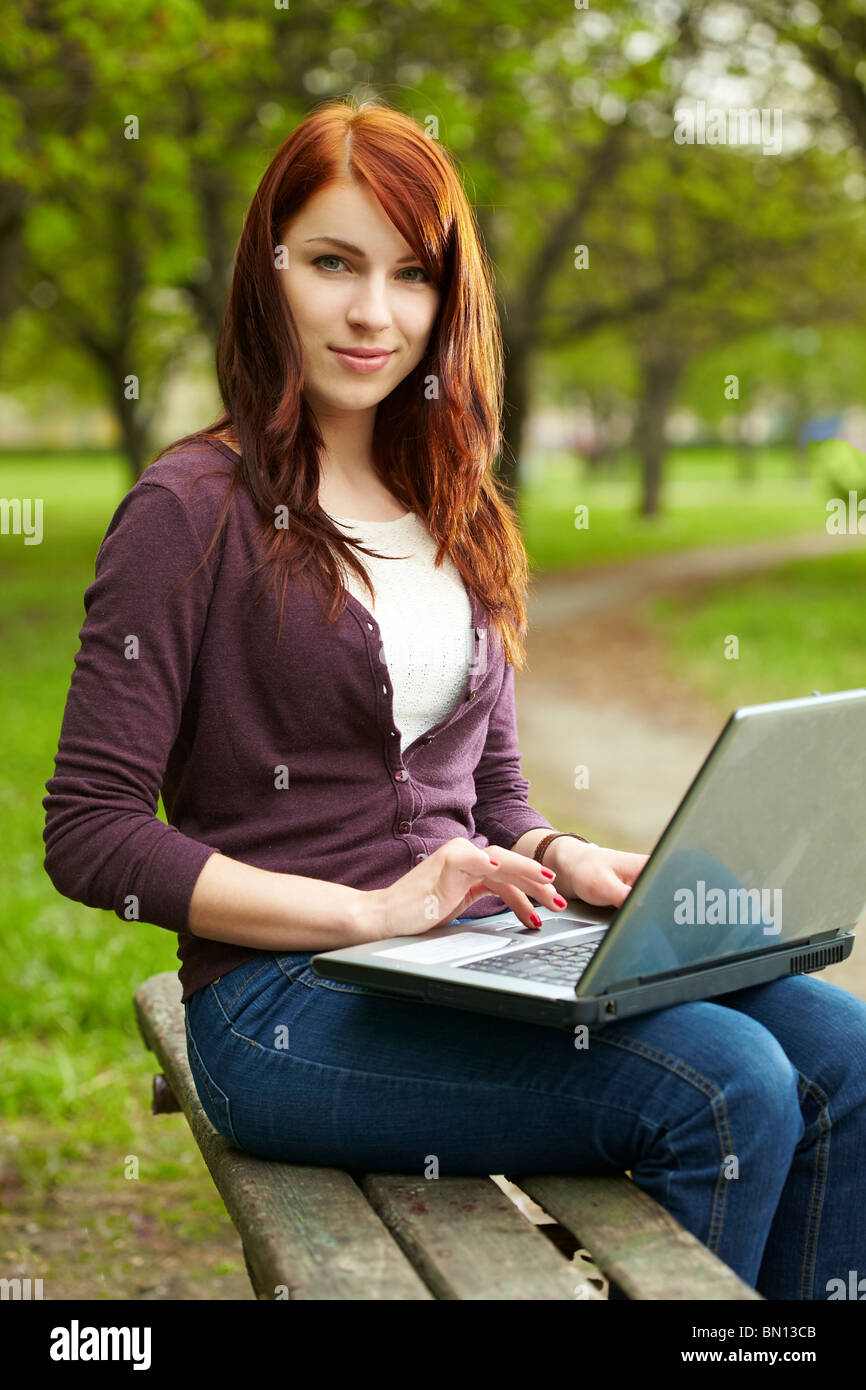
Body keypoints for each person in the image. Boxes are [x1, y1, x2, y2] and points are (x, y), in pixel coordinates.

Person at [43, 99, 866, 1302]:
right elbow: (90, 832)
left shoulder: (459, 501)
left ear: (447, 298)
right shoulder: (190, 510)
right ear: (267, 274)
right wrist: (372, 912)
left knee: (840, 1053)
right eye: (332, 264)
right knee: (725, 1087)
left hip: (462, 955)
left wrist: (554, 851)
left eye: (409, 274)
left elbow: (485, 791)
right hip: (277, 1004)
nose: (372, 312)